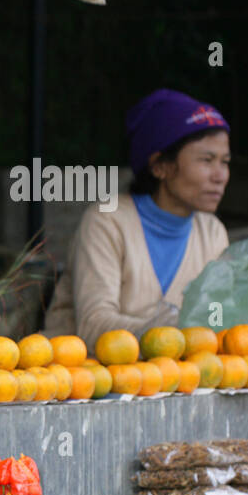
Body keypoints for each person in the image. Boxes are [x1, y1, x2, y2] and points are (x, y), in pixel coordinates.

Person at [45, 89, 230, 351]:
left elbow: (219, 318)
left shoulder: (212, 233)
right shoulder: (106, 222)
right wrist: (175, 332)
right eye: (206, 160)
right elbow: (93, 325)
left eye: (225, 161)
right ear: (159, 166)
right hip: (79, 382)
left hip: (174, 385)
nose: (220, 175)